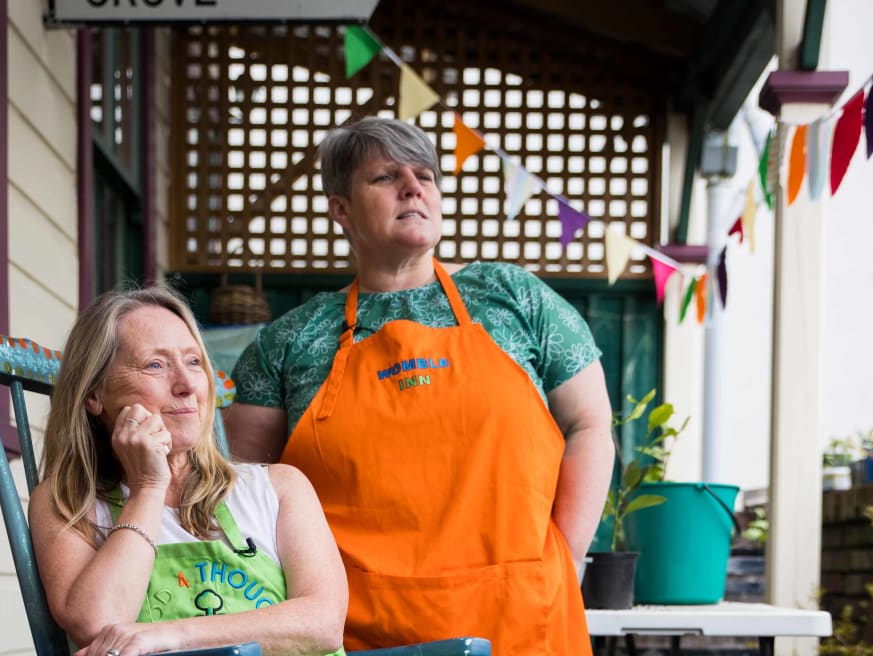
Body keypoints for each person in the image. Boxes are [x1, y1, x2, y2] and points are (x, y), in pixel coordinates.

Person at [226, 116, 615, 654]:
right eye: (386, 177)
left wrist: (569, 555)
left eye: (425, 175)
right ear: (340, 207)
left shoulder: (514, 298)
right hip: (356, 631)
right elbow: (247, 490)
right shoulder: (291, 341)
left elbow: (590, 422)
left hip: (522, 618)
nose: (414, 186)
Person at [28, 286, 348, 656]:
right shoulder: (69, 502)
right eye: (155, 365)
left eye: (194, 362)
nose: (187, 385)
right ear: (95, 394)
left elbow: (324, 624)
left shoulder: (278, 488)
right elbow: (96, 624)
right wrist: (148, 486)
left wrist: (169, 635)